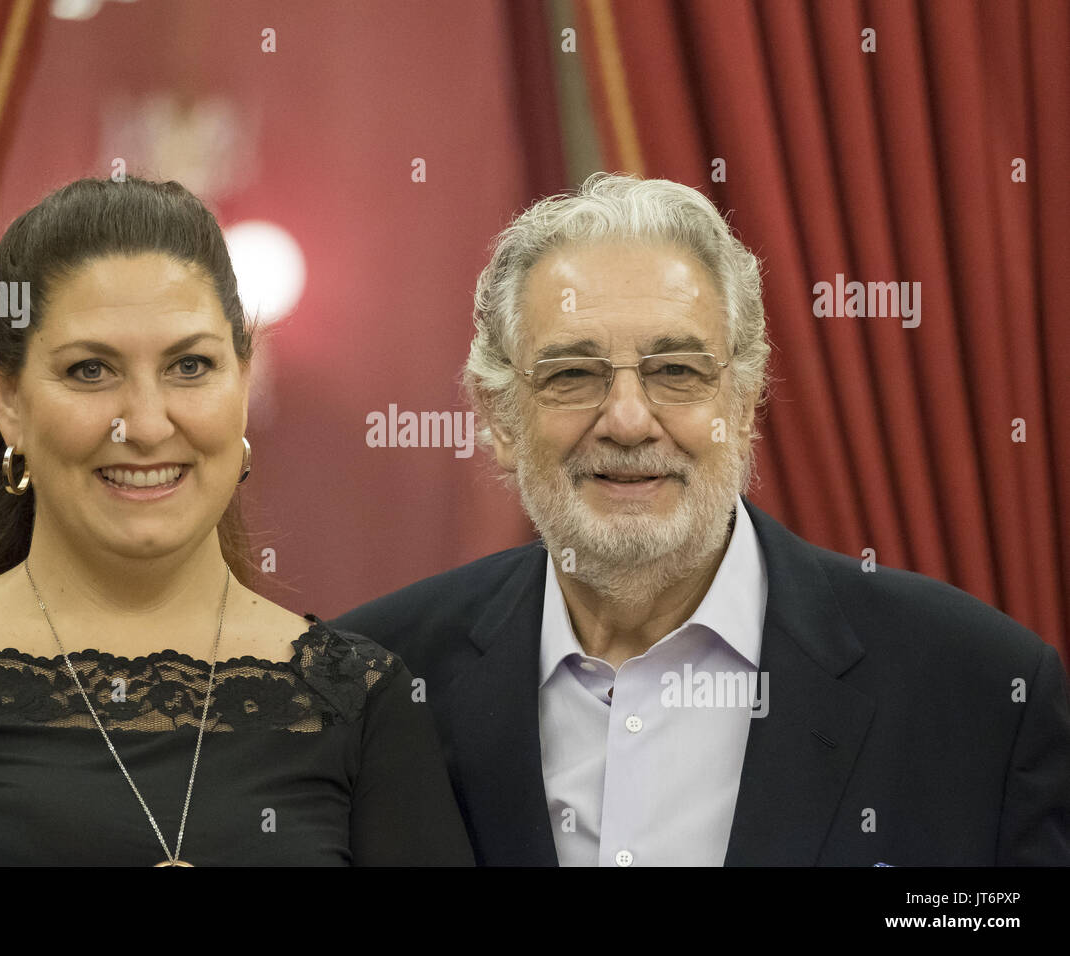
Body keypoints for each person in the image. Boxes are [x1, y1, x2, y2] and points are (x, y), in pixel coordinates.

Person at [333, 173, 1070, 866]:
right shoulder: (371, 682)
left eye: (677, 371)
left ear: (745, 403)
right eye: (571, 375)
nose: (626, 421)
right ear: (498, 416)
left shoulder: (980, 693)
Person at [0, 177, 473, 867]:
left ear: (244, 379)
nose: (143, 423)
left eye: (190, 366)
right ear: (8, 397)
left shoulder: (362, 699)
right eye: (89, 372)